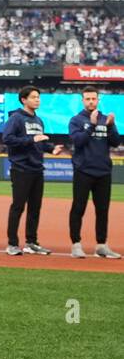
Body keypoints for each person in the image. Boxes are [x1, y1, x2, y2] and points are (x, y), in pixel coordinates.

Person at [1, 86, 64, 256]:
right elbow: (7, 139)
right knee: (18, 207)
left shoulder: (38, 120)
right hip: (21, 168)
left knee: (35, 208)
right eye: (34, 97)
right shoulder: (16, 118)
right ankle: (12, 244)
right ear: (24, 100)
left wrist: (51, 149)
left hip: (37, 169)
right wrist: (31, 139)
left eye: (38, 97)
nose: (37, 100)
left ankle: (31, 242)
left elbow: (40, 142)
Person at [68, 87, 123, 258]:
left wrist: (112, 126)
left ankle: (101, 245)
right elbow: (78, 141)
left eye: (94, 98)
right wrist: (91, 126)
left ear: (98, 100)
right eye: (87, 99)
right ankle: (76, 244)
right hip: (83, 170)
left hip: (103, 171)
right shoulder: (76, 120)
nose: (91, 101)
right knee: (78, 207)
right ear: (82, 101)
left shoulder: (106, 119)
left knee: (102, 209)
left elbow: (115, 143)